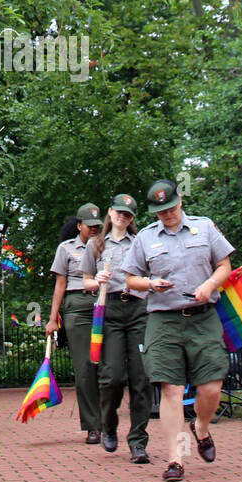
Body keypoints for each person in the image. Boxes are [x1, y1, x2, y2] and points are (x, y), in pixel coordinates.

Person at [120, 180, 233, 482]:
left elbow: (225, 265)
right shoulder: (144, 238)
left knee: (211, 386)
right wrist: (150, 283)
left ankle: (202, 429)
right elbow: (130, 280)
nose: (167, 215)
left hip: (203, 317)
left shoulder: (205, 227)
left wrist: (210, 284)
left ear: (180, 201)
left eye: (170, 208)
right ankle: (175, 459)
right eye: (160, 211)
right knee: (170, 388)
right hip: (163, 319)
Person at [80, 193, 150, 464]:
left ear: (132, 218)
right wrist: (97, 280)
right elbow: (85, 282)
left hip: (137, 310)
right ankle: (108, 425)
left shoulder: (141, 243)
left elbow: (149, 276)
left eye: (128, 214)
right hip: (108, 310)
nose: (123, 217)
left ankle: (138, 442)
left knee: (141, 378)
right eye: (119, 212)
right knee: (112, 378)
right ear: (110, 213)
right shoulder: (96, 245)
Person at [46, 203, 103, 442]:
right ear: (78, 225)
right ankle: (93, 426)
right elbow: (60, 284)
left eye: (96, 226)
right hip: (77, 308)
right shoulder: (66, 249)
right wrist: (52, 319)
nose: (93, 229)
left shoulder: (108, 246)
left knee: (109, 367)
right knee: (85, 369)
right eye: (88, 225)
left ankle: (107, 420)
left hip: (104, 305)